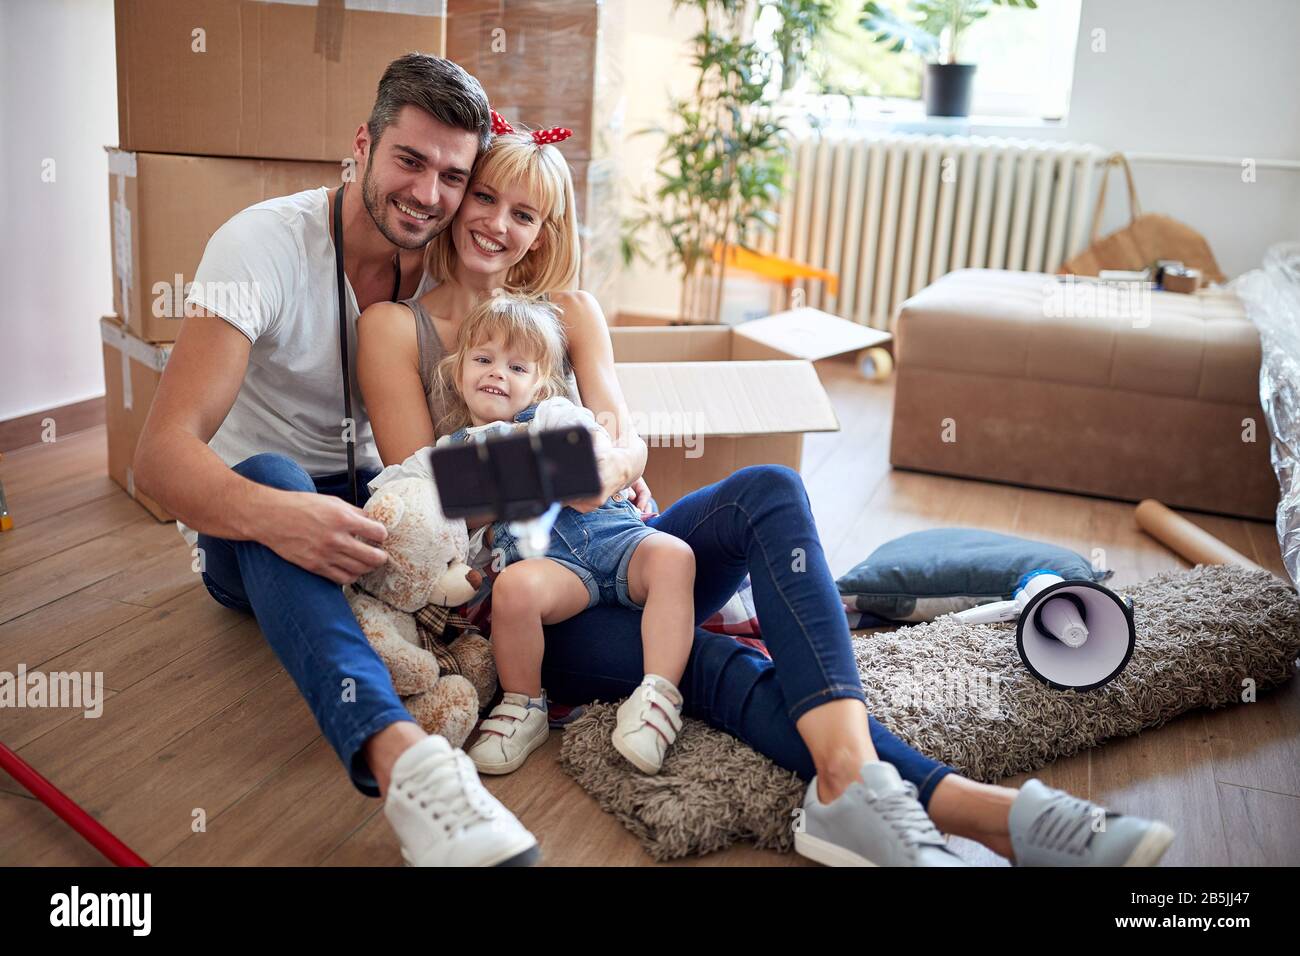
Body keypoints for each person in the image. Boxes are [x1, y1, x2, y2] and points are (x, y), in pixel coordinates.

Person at [358, 118, 1178, 866]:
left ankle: (853, 790)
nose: (498, 223)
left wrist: (604, 463)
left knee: (769, 489)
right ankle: (994, 816)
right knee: (709, 663)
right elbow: (440, 497)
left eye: (525, 213)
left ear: (547, 230)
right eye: (487, 197)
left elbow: (628, 444)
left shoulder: (571, 313)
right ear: (457, 193)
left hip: (625, 542)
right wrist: (586, 464)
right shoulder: (397, 326)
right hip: (529, 602)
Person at [132, 55, 540, 867]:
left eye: (453, 177)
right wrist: (272, 514)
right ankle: (410, 769)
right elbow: (158, 459)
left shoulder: (458, 266)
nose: (429, 195)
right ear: (362, 144)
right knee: (273, 473)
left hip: (405, 509)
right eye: (410, 160)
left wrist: (600, 458)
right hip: (256, 526)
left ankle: (840, 764)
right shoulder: (261, 245)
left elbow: (465, 463)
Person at [429, 293, 695, 776]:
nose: (497, 373)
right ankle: (524, 704)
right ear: (457, 370)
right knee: (513, 587)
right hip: (554, 570)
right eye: (484, 359)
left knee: (675, 555)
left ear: (540, 385)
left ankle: (657, 698)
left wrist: (519, 482)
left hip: (617, 541)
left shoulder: (552, 415)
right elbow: (455, 528)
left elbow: (588, 463)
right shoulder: (453, 451)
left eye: (516, 367)